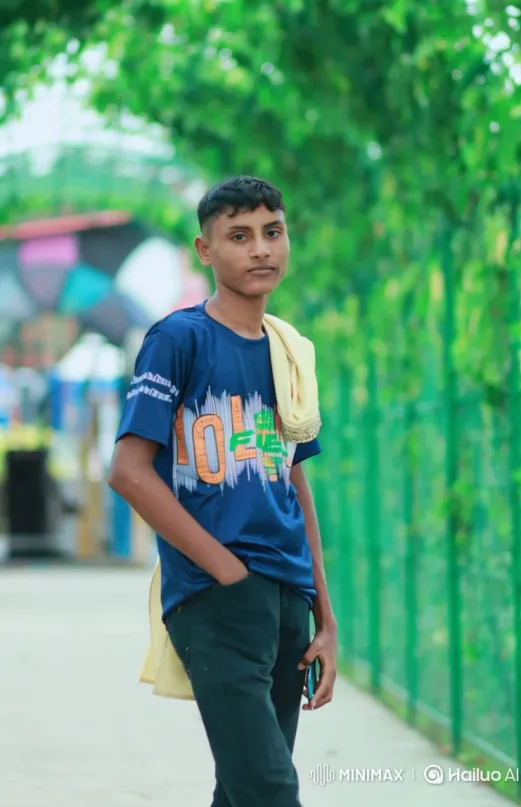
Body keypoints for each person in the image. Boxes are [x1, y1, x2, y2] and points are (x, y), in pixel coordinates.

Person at [108, 176, 337, 807]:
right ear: (205, 251)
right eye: (239, 236)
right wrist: (225, 570)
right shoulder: (178, 339)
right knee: (270, 788)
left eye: (273, 232)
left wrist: (324, 617)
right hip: (218, 598)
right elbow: (129, 471)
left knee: (242, 792)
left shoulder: (289, 351)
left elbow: (295, 482)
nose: (261, 249)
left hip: (289, 601)